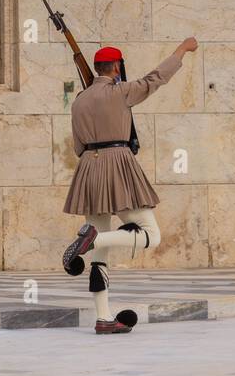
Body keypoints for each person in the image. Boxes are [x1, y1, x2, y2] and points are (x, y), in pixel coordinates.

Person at [61, 37, 198, 334]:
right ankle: (92, 240)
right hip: (118, 164)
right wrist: (182, 49)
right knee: (150, 235)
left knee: (100, 259)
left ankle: (103, 317)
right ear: (115, 68)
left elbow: (79, 145)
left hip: (88, 168)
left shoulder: (79, 101)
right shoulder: (121, 92)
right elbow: (156, 78)